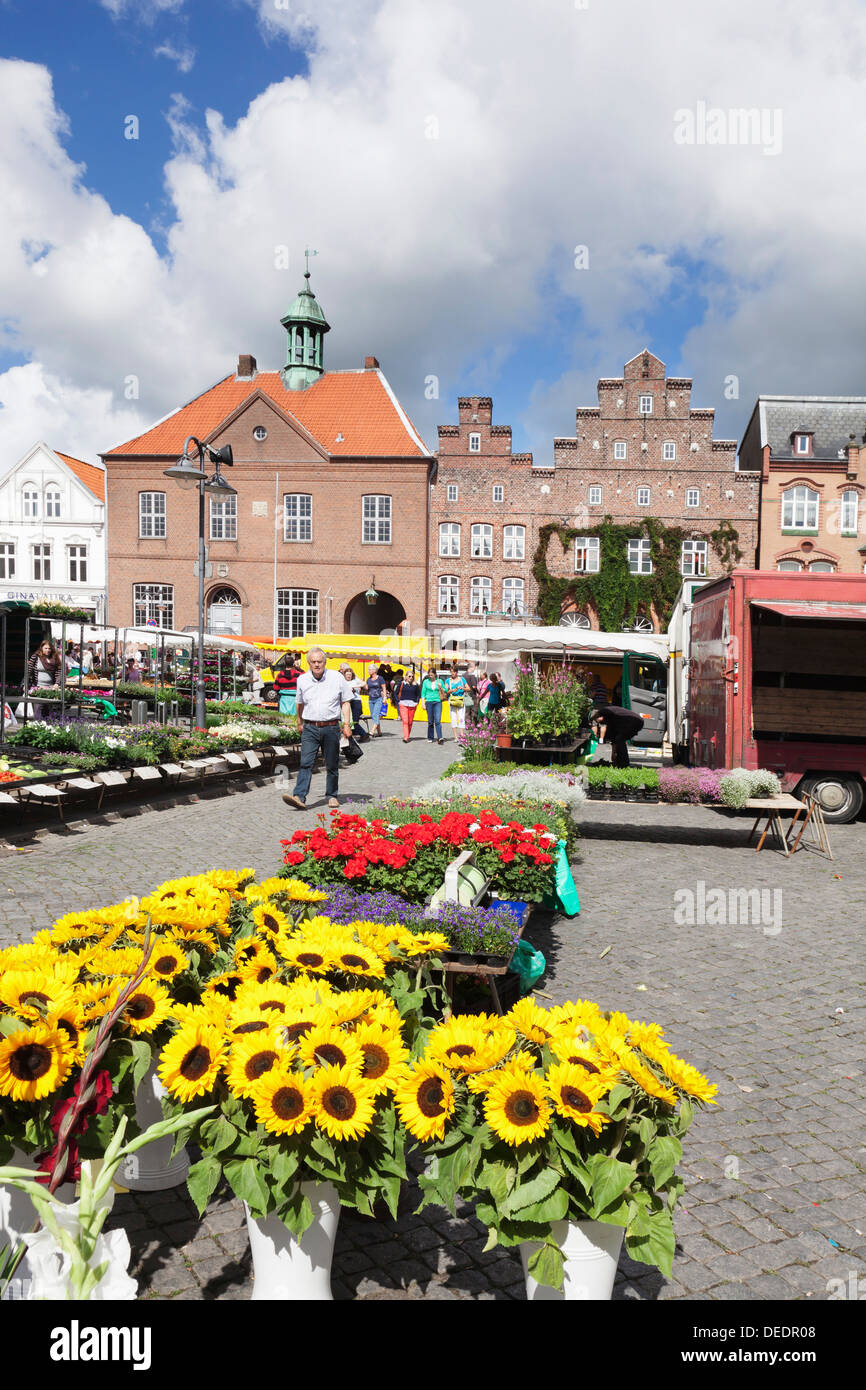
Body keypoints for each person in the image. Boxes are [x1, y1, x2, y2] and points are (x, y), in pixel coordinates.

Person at [283, 647, 353, 810]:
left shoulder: (337, 678)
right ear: (308, 663)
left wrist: (347, 725)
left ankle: (332, 795)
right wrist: (299, 722)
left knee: (332, 763)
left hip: (331, 727)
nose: (316, 665)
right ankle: (299, 796)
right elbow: (299, 703)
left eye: (319, 661)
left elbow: (346, 702)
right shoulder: (302, 679)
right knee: (305, 763)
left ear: (325, 662)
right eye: (313, 662)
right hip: (310, 727)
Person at [593, 702, 644, 768]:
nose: (599, 723)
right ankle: (620, 762)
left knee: (620, 739)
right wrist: (613, 753)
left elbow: (598, 713)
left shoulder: (605, 711)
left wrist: (592, 718)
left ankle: (624, 764)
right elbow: (614, 740)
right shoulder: (611, 722)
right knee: (619, 739)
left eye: (598, 721)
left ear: (600, 716)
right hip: (636, 721)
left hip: (634, 721)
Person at [421, 665, 447, 744]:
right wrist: (423, 703)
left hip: (437, 701)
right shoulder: (426, 682)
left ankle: (440, 737)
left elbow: (445, 690)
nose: (430, 676)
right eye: (429, 675)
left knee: (438, 720)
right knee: (430, 721)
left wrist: (441, 688)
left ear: (435, 674)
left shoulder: (440, 681)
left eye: (431, 675)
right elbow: (423, 693)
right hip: (429, 702)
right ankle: (430, 737)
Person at [397, 667, 420, 742]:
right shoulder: (401, 684)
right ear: (406, 676)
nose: (411, 678)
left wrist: (416, 702)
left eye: (412, 676)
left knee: (410, 722)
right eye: (409, 676)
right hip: (403, 704)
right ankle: (406, 737)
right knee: (405, 721)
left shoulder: (415, 685)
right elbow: (395, 693)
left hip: (412, 705)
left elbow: (418, 694)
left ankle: (407, 735)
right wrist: (398, 701)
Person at [365, 664, 387, 736]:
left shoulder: (380, 678)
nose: (368, 671)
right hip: (371, 699)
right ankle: (379, 732)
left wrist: (384, 697)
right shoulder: (368, 679)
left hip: (378, 698)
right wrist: (363, 684)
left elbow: (384, 688)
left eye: (370, 669)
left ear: (374, 670)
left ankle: (372, 731)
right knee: (373, 715)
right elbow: (367, 688)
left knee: (375, 714)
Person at [447, 664, 467, 739]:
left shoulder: (462, 679)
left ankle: (462, 735)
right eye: (451, 672)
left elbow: (468, 688)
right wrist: (452, 690)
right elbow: (446, 691)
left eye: (454, 672)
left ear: (457, 672)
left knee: (461, 717)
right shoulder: (448, 680)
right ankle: (456, 736)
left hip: (460, 700)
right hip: (452, 700)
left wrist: (462, 688)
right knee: (453, 718)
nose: (453, 673)